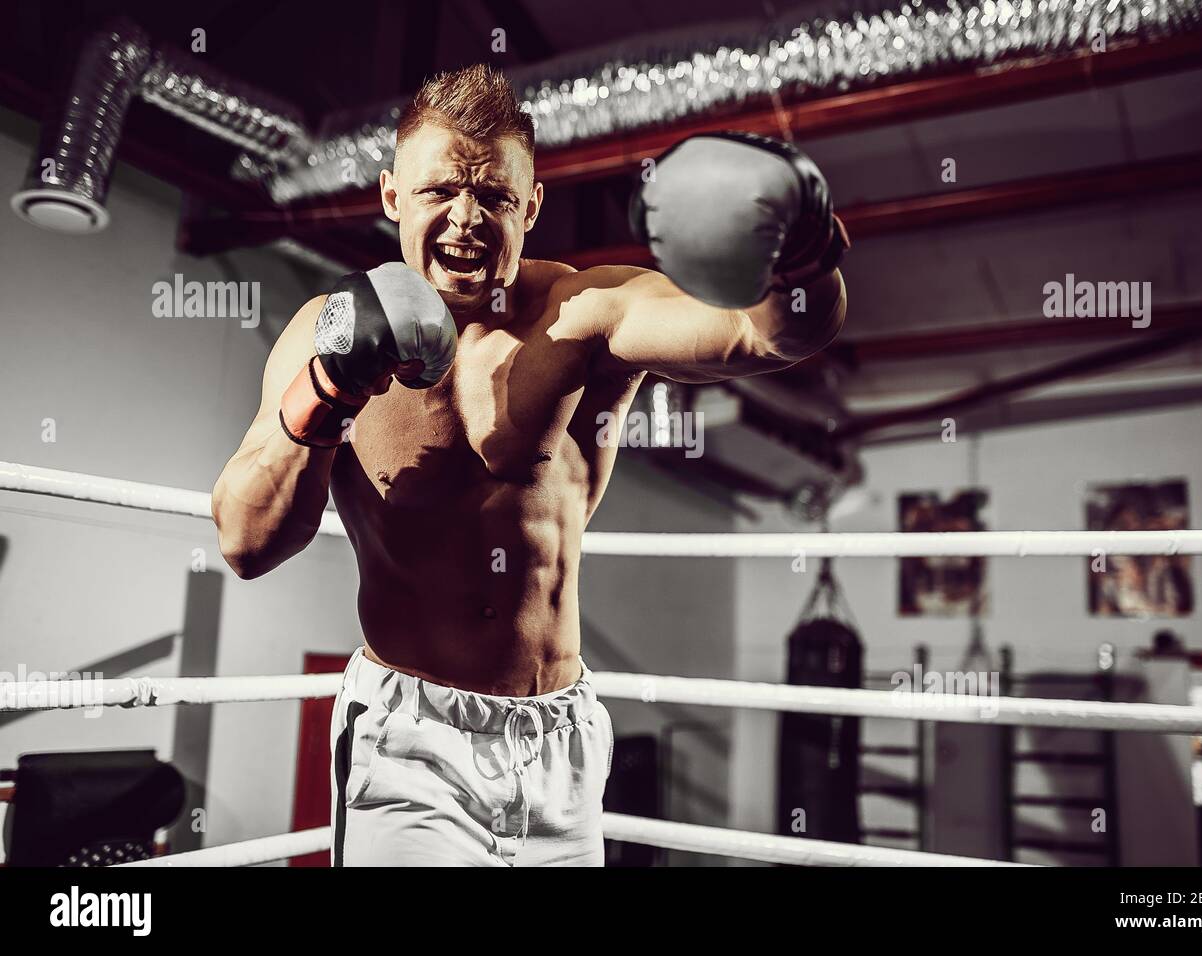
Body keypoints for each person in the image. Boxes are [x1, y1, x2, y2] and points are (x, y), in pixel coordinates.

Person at [211, 63, 848, 866]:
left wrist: (804, 257)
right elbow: (244, 540)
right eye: (441, 190)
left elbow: (770, 335)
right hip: (411, 741)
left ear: (533, 206)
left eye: (496, 197)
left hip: (560, 740)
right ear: (390, 197)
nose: (467, 220)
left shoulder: (587, 312)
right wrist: (327, 390)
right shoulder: (321, 332)